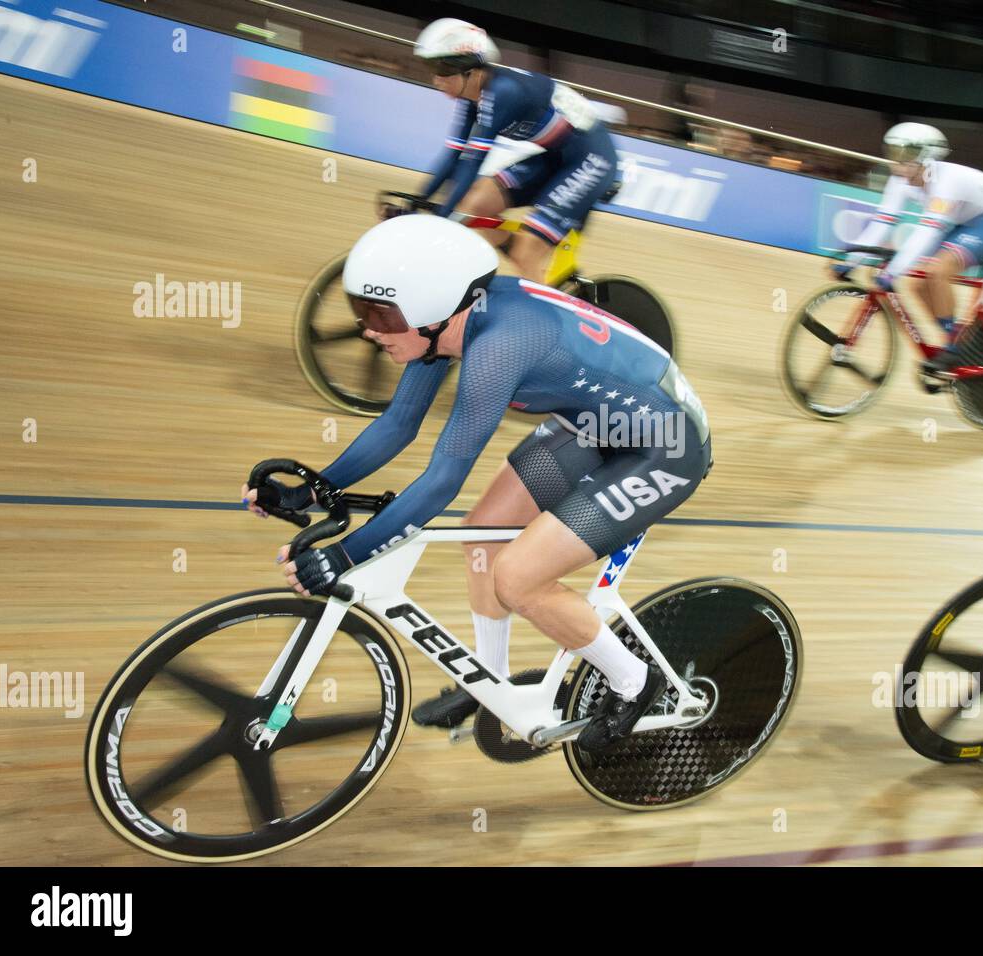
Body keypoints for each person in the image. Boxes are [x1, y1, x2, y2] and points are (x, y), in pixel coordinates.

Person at [242, 215, 712, 751]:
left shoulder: (500, 345)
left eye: (379, 312)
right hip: (599, 424)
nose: (367, 329)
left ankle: (634, 681)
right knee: (483, 535)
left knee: (518, 577)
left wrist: (345, 556)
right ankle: (493, 683)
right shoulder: (445, 325)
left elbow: (443, 479)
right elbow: (398, 425)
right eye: (361, 310)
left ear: (430, 307)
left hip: (665, 448)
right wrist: (311, 492)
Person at [410, 18, 620, 284]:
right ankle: (536, 277)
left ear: (469, 71)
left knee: (526, 253)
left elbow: (472, 163)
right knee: (472, 205)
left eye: (441, 70)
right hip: (558, 158)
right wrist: (418, 199)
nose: (436, 79)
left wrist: (442, 219)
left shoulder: (504, 92)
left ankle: (543, 309)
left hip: (592, 160)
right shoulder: (473, 97)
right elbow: (453, 155)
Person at [838, 123, 983, 374]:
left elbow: (927, 231)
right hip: (964, 220)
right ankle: (955, 342)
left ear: (924, 156)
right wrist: (853, 260)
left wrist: (892, 272)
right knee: (916, 283)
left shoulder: (946, 181)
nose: (896, 163)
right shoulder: (899, 179)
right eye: (892, 153)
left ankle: (953, 348)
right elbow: (884, 221)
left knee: (938, 270)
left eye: (903, 155)